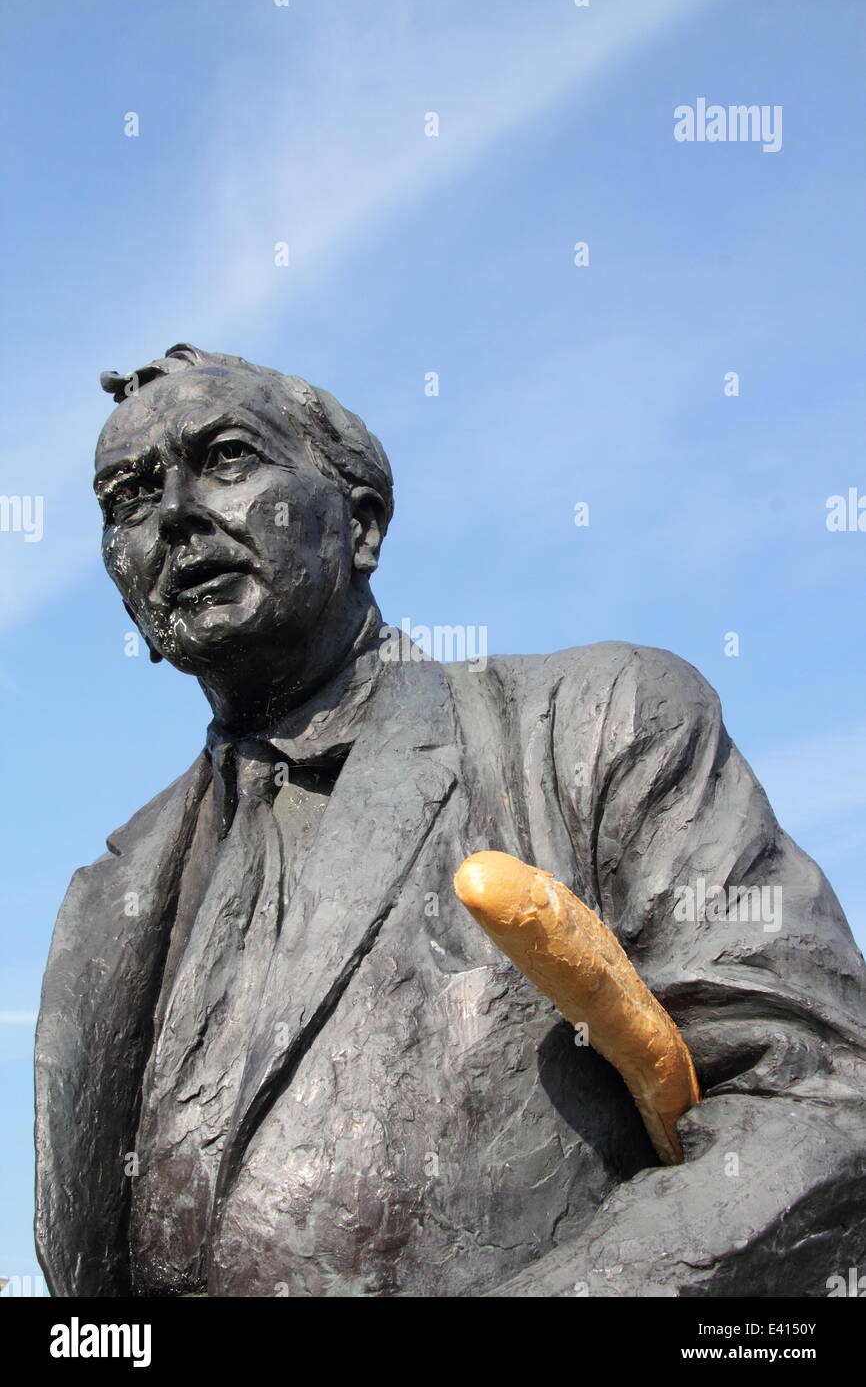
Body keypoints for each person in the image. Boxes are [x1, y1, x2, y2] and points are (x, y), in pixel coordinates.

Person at [35, 344, 866, 1298]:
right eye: (128, 499)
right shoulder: (108, 902)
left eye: (225, 458)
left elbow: (817, 1101)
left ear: (362, 524)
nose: (174, 515)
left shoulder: (594, 724)